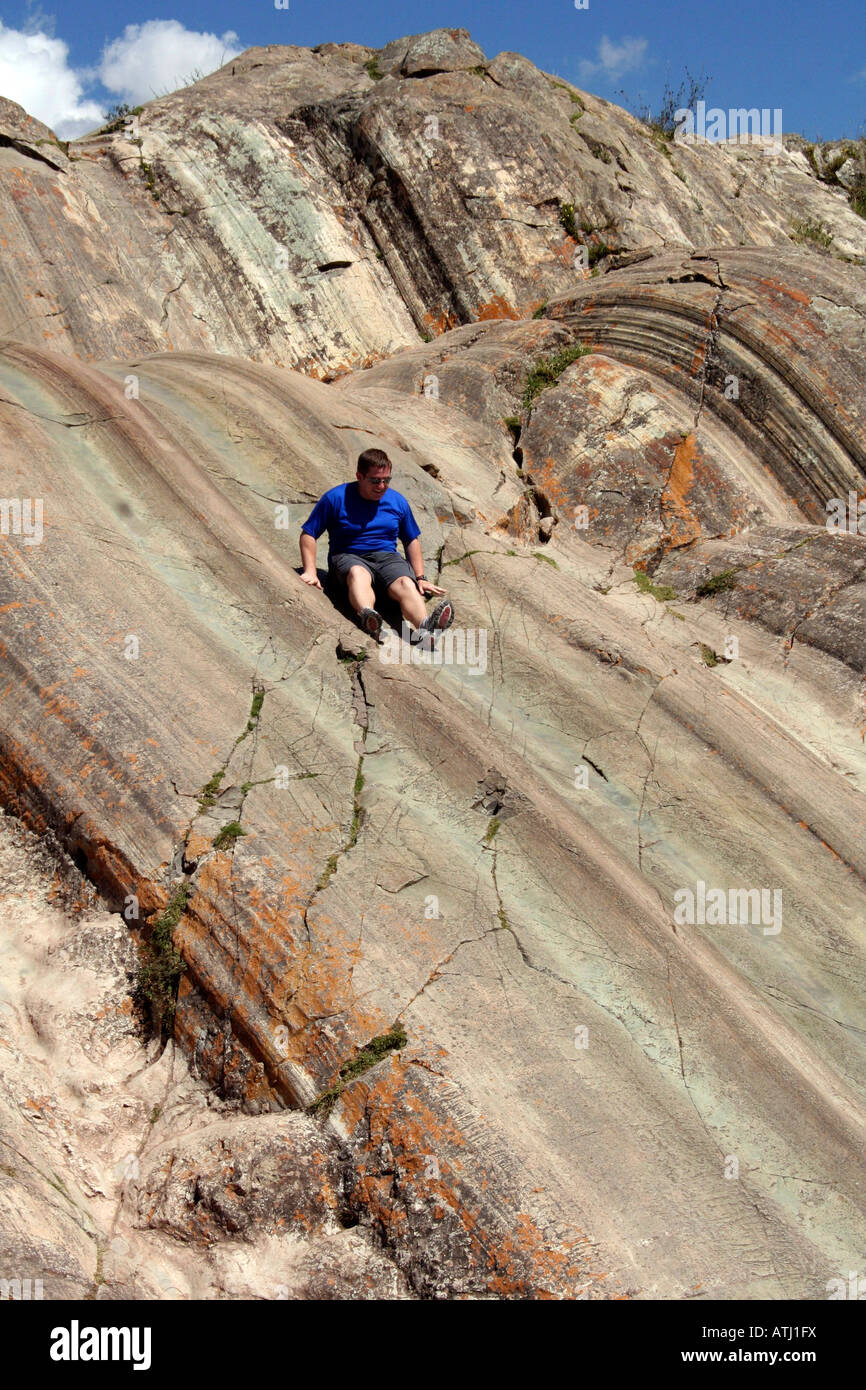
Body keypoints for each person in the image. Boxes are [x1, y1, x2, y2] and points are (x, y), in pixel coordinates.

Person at [298, 448, 455, 644]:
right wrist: (310, 571)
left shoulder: (397, 501)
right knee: (358, 574)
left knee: (406, 583)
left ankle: (426, 628)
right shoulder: (336, 498)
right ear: (359, 476)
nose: (381, 486)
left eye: (386, 480)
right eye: (375, 480)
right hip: (349, 556)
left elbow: (411, 540)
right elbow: (309, 534)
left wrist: (420, 578)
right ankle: (368, 616)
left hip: (386, 558)